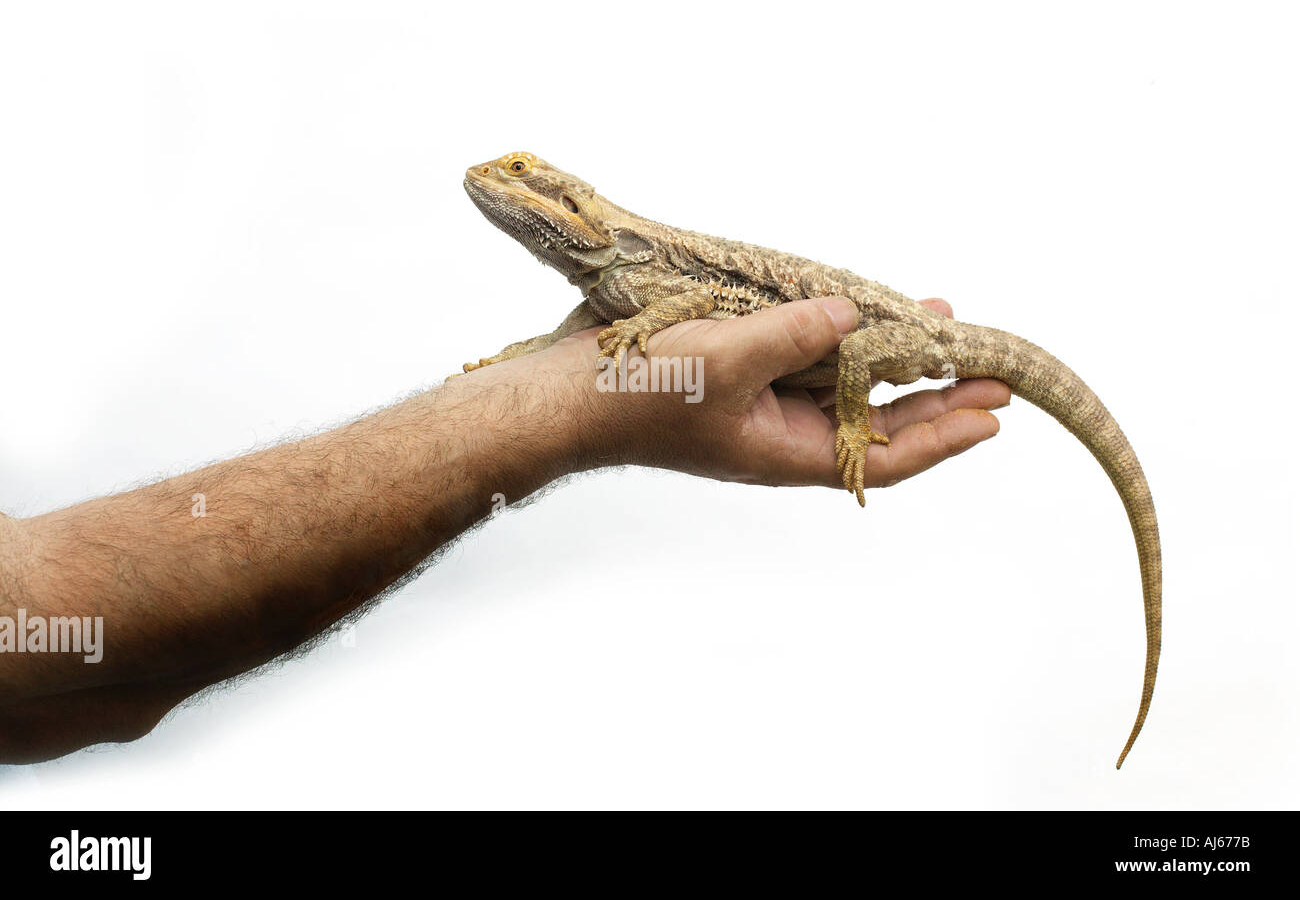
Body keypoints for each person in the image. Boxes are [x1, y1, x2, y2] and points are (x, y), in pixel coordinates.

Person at [0, 296, 1008, 762]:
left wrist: (560, 394)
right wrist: (573, 402)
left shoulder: (640, 269)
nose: (501, 186)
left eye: (528, 178)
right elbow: (48, 618)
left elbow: (99, 689)